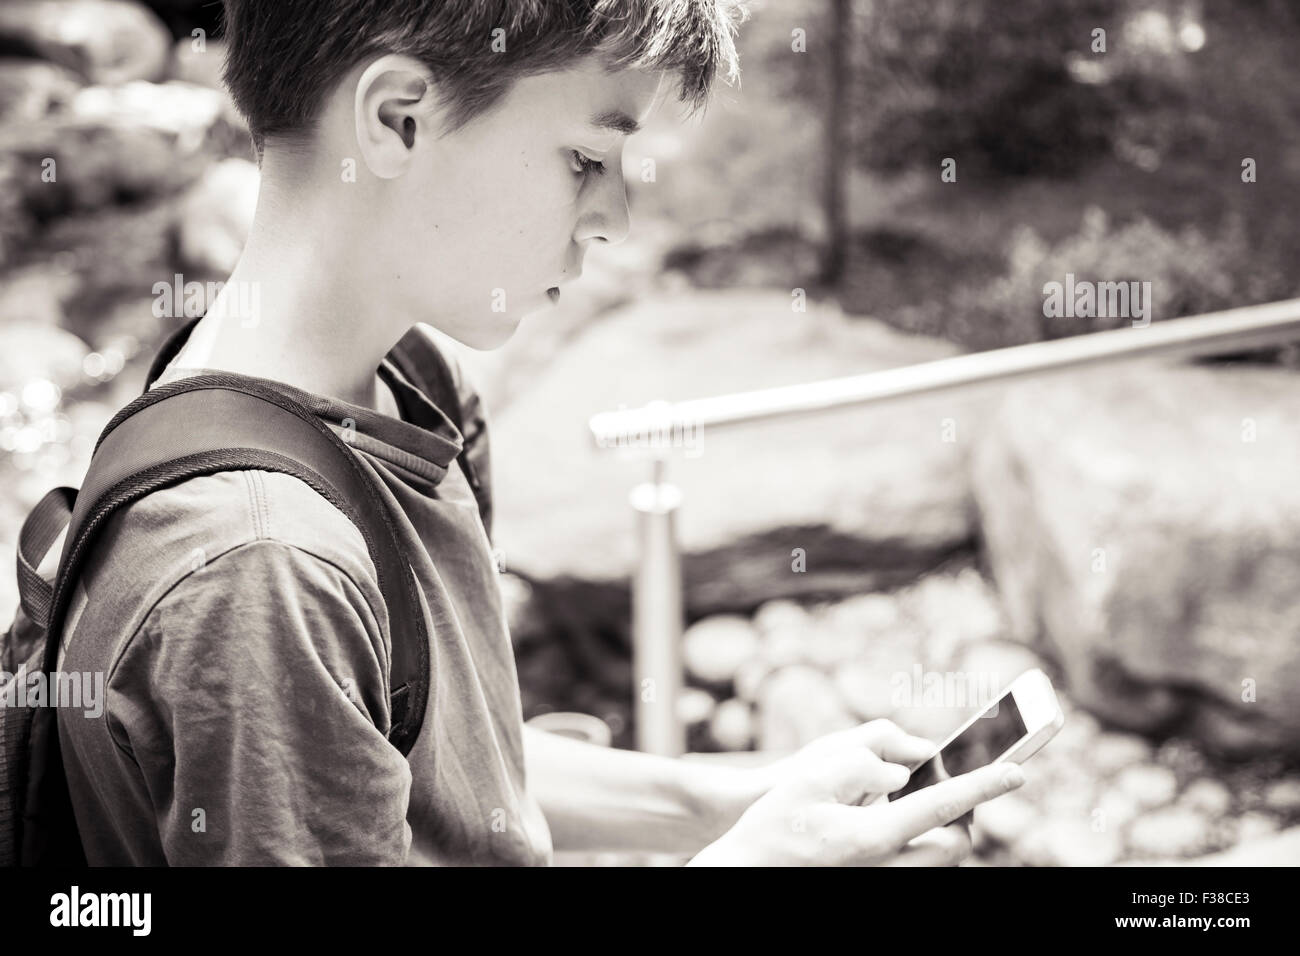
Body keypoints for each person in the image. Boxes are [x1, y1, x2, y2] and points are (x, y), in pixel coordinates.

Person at [55, 0, 1024, 866]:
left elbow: (444, 769)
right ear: (397, 119)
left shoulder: (405, 382)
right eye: (585, 159)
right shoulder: (261, 568)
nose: (617, 217)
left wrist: (724, 800)